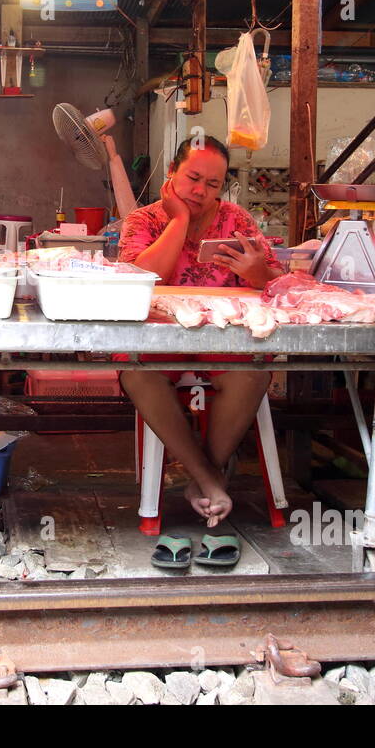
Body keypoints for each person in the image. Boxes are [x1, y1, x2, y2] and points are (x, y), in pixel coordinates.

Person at [117, 134, 283, 529]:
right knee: (137, 373)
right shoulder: (144, 220)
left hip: (223, 338)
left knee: (253, 372)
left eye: (213, 184)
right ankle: (211, 479)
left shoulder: (236, 221)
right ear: (171, 173)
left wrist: (257, 273)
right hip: (157, 340)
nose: (200, 191)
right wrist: (179, 220)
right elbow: (140, 278)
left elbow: (276, 281)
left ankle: (199, 479)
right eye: (192, 177)